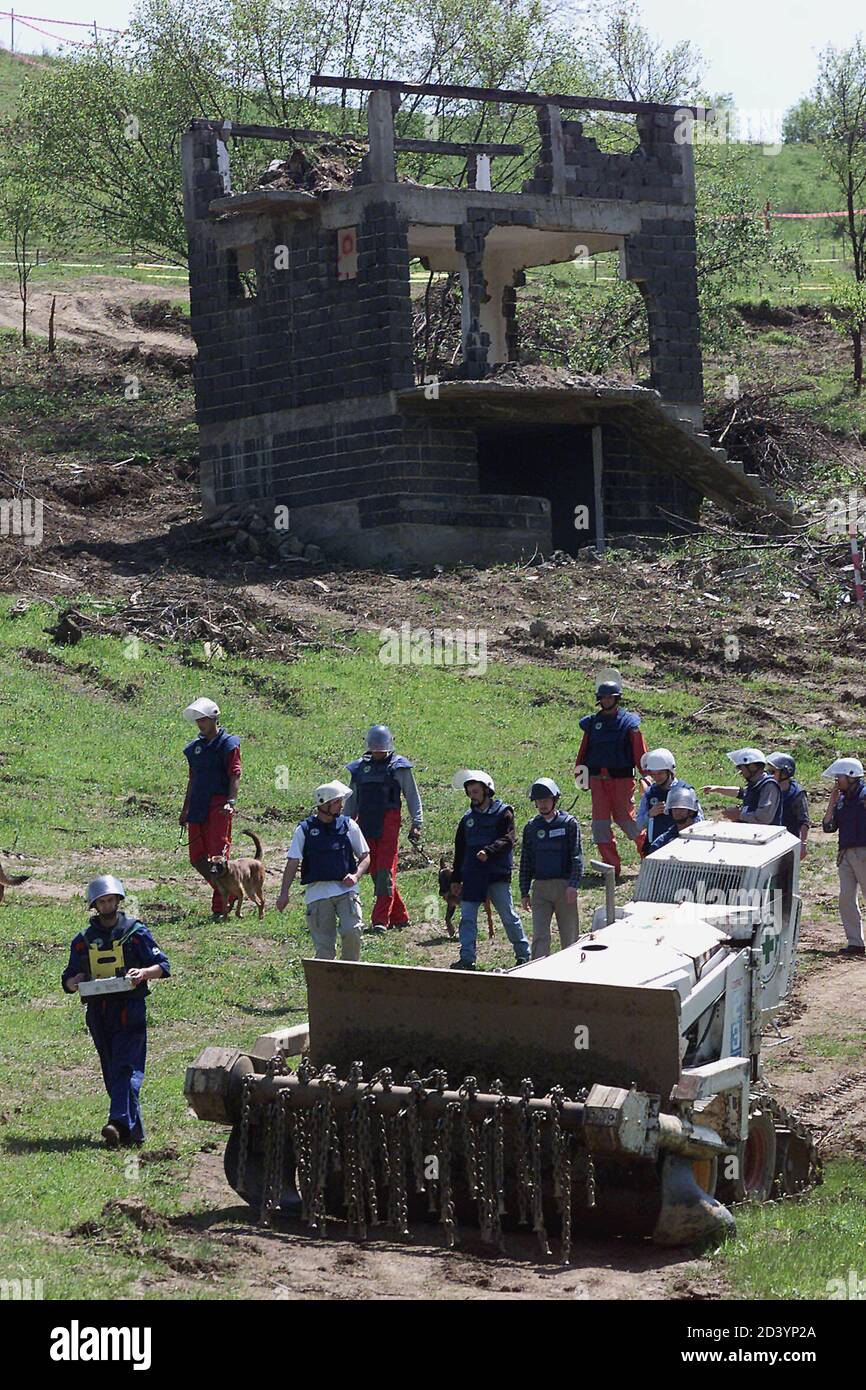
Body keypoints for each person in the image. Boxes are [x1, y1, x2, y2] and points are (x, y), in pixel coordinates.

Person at [62, 876, 170, 1148]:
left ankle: (117, 1120)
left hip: (129, 1009)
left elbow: (162, 965)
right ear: (94, 905)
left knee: (127, 1067)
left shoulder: (136, 932)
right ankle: (132, 1134)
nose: (107, 905)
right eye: (101, 901)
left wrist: (143, 973)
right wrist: (74, 982)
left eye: (111, 900)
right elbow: (68, 978)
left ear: (119, 900)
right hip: (99, 1012)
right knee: (112, 1070)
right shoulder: (83, 940)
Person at [276, 782, 370, 961]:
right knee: (324, 949)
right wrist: (283, 894)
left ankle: (350, 976)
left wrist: (356, 875)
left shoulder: (349, 825)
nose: (341, 806)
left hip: (346, 891)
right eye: (336, 802)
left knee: (353, 931)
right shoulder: (304, 829)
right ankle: (328, 985)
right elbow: (293, 861)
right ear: (323, 803)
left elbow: (365, 856)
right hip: (318, 894)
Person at [344, 725, 422, 934]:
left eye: (381, 748)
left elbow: (412, 796)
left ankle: (380, 920)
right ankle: (399, 916)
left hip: (389, 822)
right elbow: (352, 799)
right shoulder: (359, 768)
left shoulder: (399, 767)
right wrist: (344, 824)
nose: (378, 751)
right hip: (365, 822)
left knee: (385, 871)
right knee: (373, 869)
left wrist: (417, 822)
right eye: (374, 748)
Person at [449, 769, 530, 971]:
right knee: (467, 918)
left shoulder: (504, 813)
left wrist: (489, 851)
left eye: (475, 791)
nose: (472, 796)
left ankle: (524, 955)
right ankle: (467, 958)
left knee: (508, 916)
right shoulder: (466, 819)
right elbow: (460, 850)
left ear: (486, 790)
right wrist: (456, 878)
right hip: (472, 876)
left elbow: (509, 839)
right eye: (469, 792)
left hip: (497, 875)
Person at [575, 677, 647, 881]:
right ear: (599, 699)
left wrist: (646, 775)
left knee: (628, 821)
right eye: (603, 698)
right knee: (600, 826)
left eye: (610, 698)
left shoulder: (629, 723)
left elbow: (640, 752)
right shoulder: (592, 724)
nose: (606, 701)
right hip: (598, 781)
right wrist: (581, 775)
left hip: (622, 781)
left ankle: (649, 855)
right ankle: (612, 869)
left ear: (617, 699)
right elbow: (584, 752)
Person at [179, 697, 241, 917]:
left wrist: (230, 801)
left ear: (213, 718)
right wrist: (185, 809)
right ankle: (228, 891)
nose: (200, 724)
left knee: (217, 856)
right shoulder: (194, 749)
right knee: (197, 858)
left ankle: (219, 906)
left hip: (218, 805)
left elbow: (234, 774)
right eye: (198, 720)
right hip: (198, 805)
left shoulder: (229, 744)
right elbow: (192, 780)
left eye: (203, 719)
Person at [519, 778, 583, 959]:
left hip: (564, 886)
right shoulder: (531, 827)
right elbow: (526, 861)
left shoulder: (569, 823)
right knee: (540, 935)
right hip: (540, 887)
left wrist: (573, 884)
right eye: (538, 801)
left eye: (546, 800)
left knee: (569, 935)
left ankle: (571, 971)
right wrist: (524, 892)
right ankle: (538, 972)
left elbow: (576, 856)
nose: (542, 805)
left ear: (554, 800)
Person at [821, 757, 866, 957]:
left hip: (863, 852)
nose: (837, 781)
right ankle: (855, 942)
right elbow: (828, 827)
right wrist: (831, 803)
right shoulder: (841, 800)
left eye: (839, 776)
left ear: (851, 776)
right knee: (846, 899)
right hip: (845, 854)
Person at [636, 748, 703, 852]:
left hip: (682, 846)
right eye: (653, 774)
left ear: (670, 772)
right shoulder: (650, 793)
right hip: (656, 848)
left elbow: (699, 820)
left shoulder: (686, 791)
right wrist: (650, 814)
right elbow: (638, 825)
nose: (656, 777)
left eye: (660, 773)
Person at [703, 748, 782, 825]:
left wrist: (739, 815)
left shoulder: (769, 786)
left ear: (752, 767)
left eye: (741, 768)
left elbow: (764, 818)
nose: (741, 772)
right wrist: (718, 789)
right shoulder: (757, 784)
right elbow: (741, 792)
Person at [767, 752, 809, 859]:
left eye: (772, 771)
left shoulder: (797, 794)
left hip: (788, 842)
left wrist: (803, 844)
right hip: (768, 839)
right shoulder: (766, 789)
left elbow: (804, 821)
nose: (769, 775)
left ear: (785, 773)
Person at [645, 785, 701, 853]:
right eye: (674, 809)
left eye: (681, 809)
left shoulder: (703, 834)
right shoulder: (662, 842)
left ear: (691, 812)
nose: (677, 812)